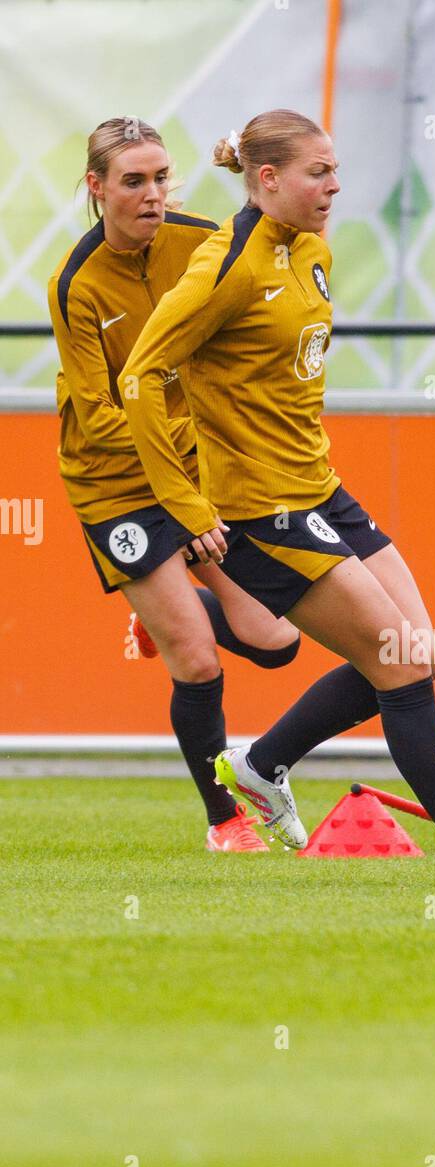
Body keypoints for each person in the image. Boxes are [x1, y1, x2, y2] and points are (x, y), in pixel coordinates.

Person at [122, 109, 435, 886]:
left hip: (323, 491)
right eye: (317, 172)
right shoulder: (224, 266)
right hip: (262, 512)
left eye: (335, 170)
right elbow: (139, 378)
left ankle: (262, 764)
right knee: (398, 665)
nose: (334, 185)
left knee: (417, 656)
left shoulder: (312, 250)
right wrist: (188, 510)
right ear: (267, 180)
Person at [47, 116, 303, 853]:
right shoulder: (77, 283)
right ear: (97, 188)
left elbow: (270, 251)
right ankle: (225, 821)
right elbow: (97, 419)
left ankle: (166, 608)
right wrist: (190, 441)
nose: (153, 194)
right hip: (116, 485)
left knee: (277, 640)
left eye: (162, 178)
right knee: (198, 661)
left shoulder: (202, 240)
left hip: (195, 476)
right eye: (134, 181)